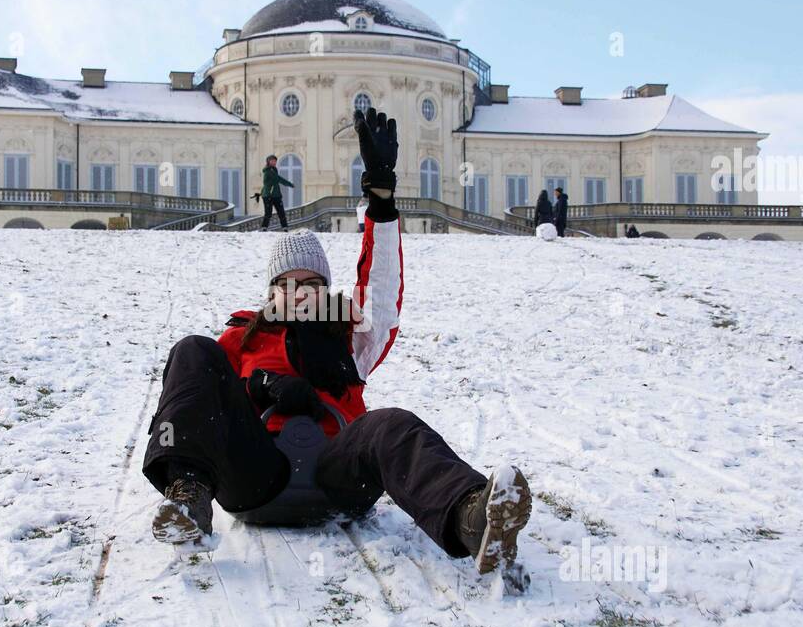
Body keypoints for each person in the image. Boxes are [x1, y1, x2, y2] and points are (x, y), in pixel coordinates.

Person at [142, 105, 533, 578]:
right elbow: (205, 399)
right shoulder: (240, 340)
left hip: (337, 476)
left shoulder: (349, 332)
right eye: (287, 282)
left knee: (392, 424)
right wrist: (260, 385)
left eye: (310, 281)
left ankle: (472, 519)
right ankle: (188, 500)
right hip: (255, 477)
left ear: (326, 288)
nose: (299, 291)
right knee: (191, 350)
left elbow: (383, 290)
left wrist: (382, 200)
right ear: (272, 291)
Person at [257, 154, 293, 230]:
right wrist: (288, 183)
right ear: (268, 161)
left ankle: (285, 227)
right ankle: (264, 227)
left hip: (276, 195)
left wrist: (278, 181)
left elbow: (277, 179)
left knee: (281, 212)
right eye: (272, 161)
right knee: (268, 213)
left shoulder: (274, 170)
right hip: (268, 195)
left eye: (275, 161)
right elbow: (270, 181)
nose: (274, 162)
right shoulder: (268, 171)